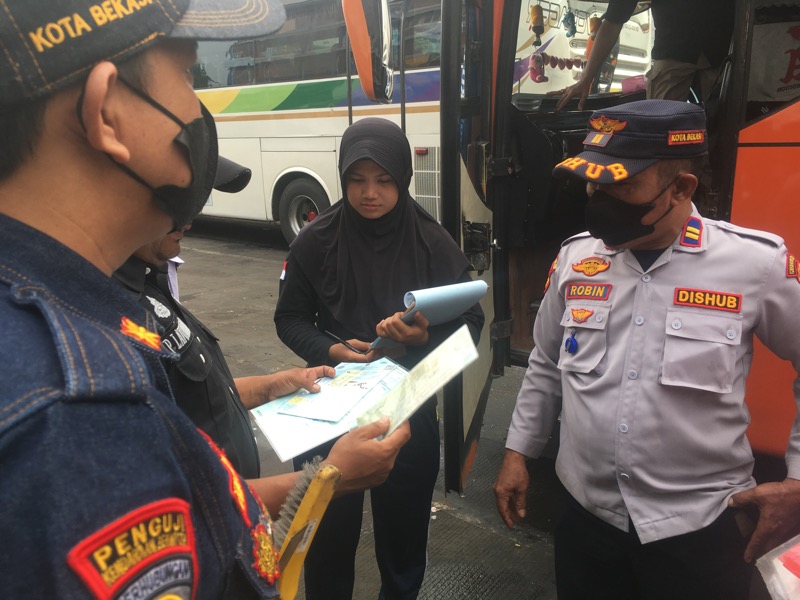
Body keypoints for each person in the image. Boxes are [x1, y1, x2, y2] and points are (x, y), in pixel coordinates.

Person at [0, 1, 411, 596]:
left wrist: (271, 386)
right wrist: (323, 480)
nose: (202, 111)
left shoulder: (68, 316)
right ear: (108, 111)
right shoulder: (73, 404)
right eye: (190, 74)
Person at [493, 99, 800, 599]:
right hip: (587, 521)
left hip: (700, 530)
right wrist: (516, 453)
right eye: (593, 185)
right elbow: (546, 364)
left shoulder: (755, 265)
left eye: (621, 186)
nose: (599, 200)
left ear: (681, 188)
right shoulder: (576, 259)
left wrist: (797, 483)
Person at [274, 117, 485, 600]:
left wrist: (420, 339)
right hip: (330, 407)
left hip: (407, 406)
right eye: (357, 179)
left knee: (404, 541)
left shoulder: (432, 241)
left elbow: (470, 325)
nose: (370, 193)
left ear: (403, 178)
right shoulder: (314, 240)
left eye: (384, 180)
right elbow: (289, 319)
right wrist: (335, 351)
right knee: (325, 541)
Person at [555, 0, 734, 111]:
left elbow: (613, 21)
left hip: (723, 56)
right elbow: (613, 20)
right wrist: (586, 78)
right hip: (675, 55)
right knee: (660, 127)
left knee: (722, 130)